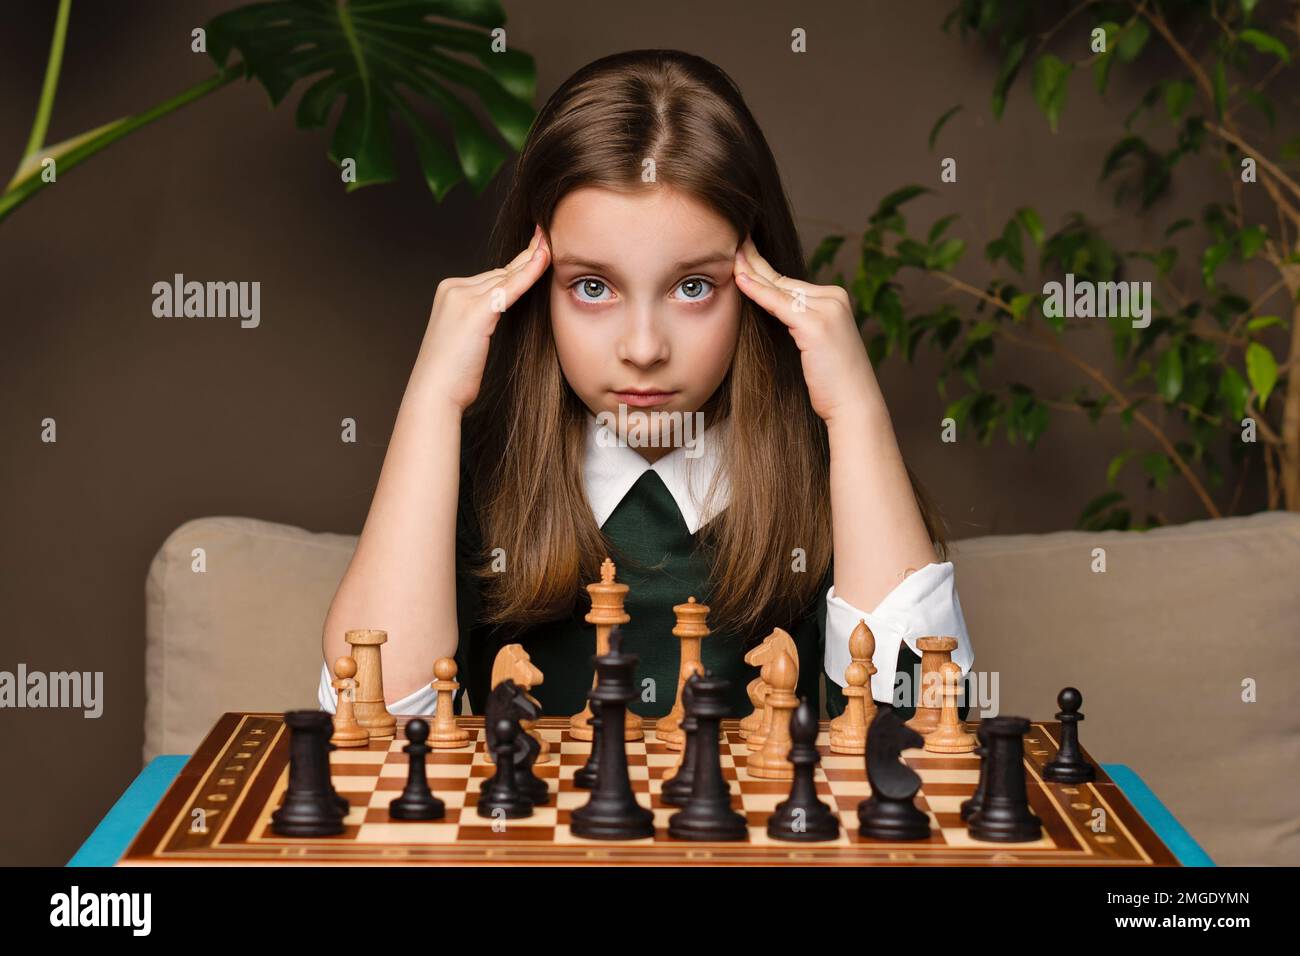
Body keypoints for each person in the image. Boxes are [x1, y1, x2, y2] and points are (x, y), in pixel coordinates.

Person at [318, 49, 973, 724]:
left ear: (759, 287)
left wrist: (857, 411)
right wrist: (430, 401)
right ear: (534, 288)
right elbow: (371, 732)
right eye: (592, 287)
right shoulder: (474, 486)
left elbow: (924, 736)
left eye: (693, 287)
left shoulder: (835, 483)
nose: (642, 349)